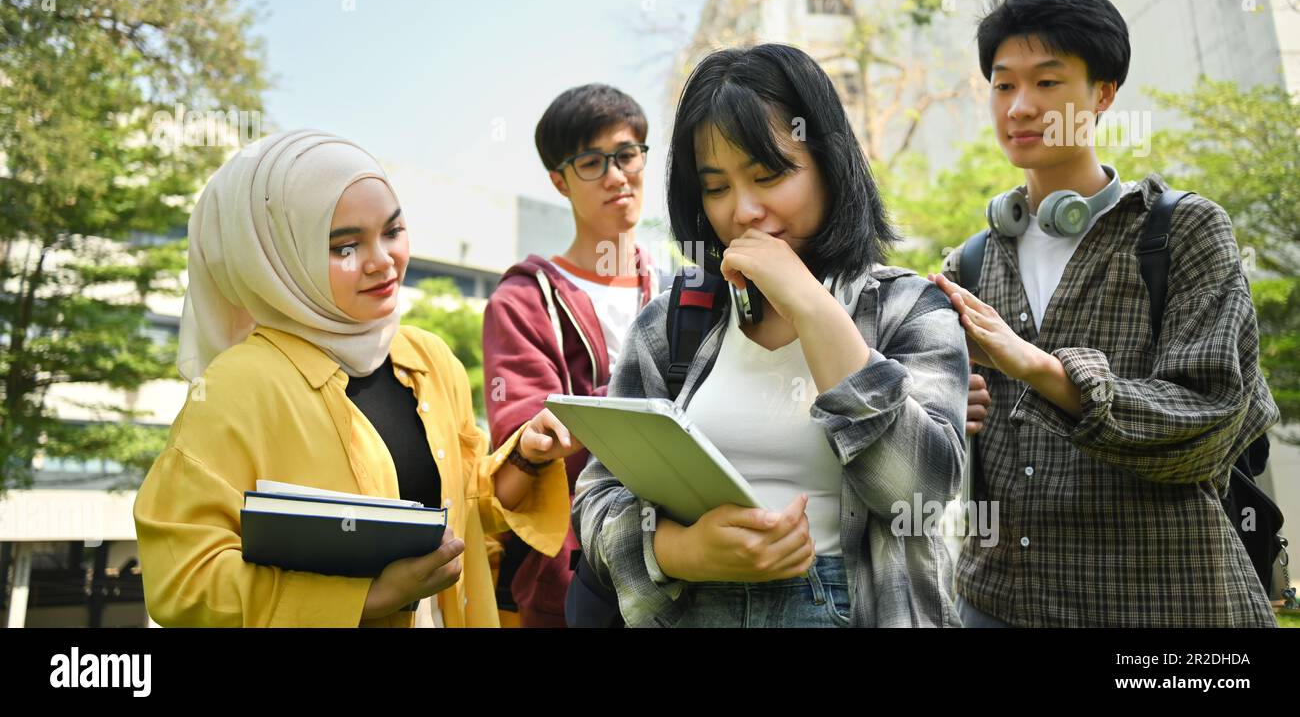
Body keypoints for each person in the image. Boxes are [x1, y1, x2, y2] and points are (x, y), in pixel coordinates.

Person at [571, 44, 969, 627]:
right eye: (717, 186)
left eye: (769, 174)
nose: (745, 210)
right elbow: (597, 499)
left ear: (831, 165)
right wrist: (681, 552)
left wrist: (810, 304)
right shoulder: (667, 327)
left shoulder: (911, 310)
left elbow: (921, 494)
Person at [932, 0, 1279, 627]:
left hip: (1166, 607)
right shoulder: (971, 263)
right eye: (1003, 86)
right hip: (998, 602)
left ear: (1104, 93)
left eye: (1047, 82)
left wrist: (1040, 370)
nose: (1021, 107)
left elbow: (1210, 422)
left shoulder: (1184, 232)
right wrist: (953, 405)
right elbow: (930, 458)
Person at [133, 129, 573, 627]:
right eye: (345, 245)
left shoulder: (427, 358)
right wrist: (368, 596)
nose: (382, 261)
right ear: (279, 259)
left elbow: (463, 513)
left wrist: (525, 459)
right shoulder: (238, 386)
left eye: (391, 231)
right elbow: (182, 582)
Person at [482, 84, 662, 627]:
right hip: (574, 577)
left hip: (686, 562)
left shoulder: (684, 287)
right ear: (559, 180)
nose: (615, 175)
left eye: (626, 154)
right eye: (591, 161)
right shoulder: (523, 299)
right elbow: (527, 440)